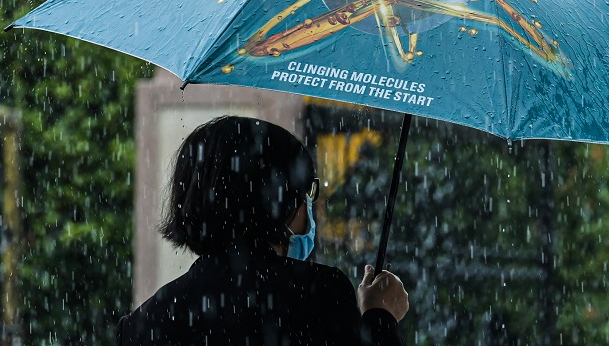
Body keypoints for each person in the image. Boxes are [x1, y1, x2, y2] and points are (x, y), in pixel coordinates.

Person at [118, 115, 409, 345]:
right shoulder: (319, 296)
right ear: (283, 201)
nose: (310, 205)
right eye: (308, 191)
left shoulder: (145, 323)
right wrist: (380, 316)